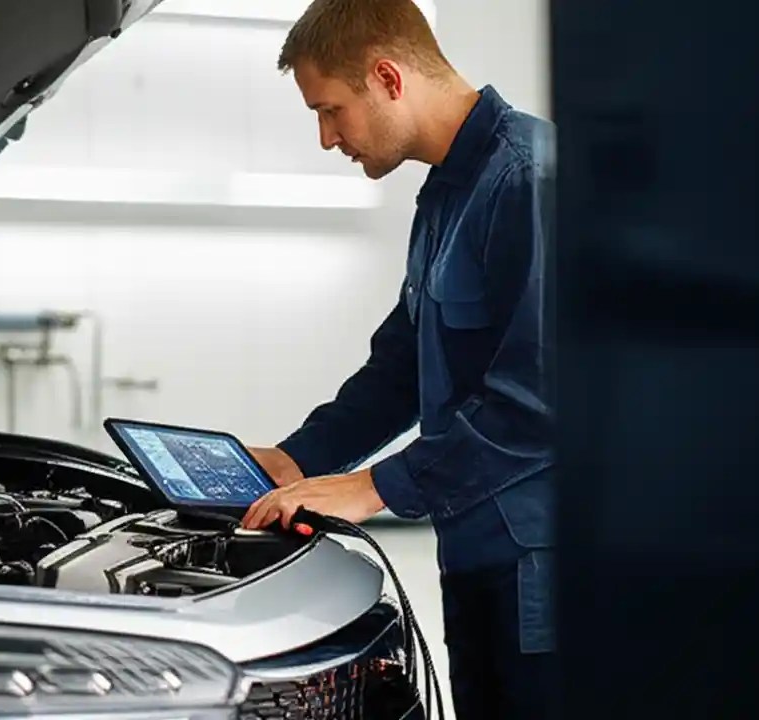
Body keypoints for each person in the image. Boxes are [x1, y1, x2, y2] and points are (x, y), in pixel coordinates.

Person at [238, 1, 557, 718]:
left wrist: (373, 488)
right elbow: (403, 366)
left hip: (544, 574)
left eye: (331, 110)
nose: (327, 138)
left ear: (387, 77)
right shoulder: (449, 192)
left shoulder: (528, 180)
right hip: (475, 553)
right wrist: (300, 458)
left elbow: (539, 399)